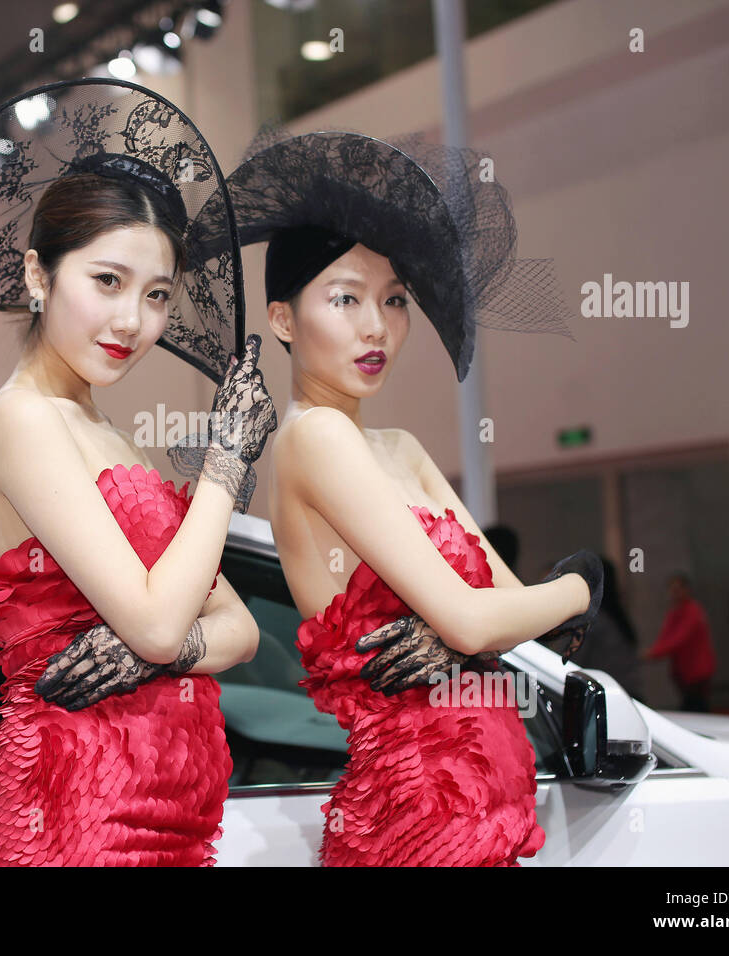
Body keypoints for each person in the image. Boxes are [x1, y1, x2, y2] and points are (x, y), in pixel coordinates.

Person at [201, 125, 602, 866]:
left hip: (491, 800)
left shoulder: (401, 450)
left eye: (394, 299)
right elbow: (482, 619)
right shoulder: (315, 439)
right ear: (284, 317)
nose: (377, 326)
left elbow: (512, 613)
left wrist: (497, 620)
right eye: (345, 299)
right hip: (418, 810)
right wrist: (581, 584)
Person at [0, 79, 277, 866]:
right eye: (107, 282)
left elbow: (242, 629)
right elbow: (164, 622)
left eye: (157, 294)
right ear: (36, 275)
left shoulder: (105, 433)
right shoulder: (21, 420)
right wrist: (226, 464)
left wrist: (147, 653)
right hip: (76, 810)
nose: (133, 321)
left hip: (169, 812)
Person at [568, 557, 644, 701]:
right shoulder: (617, 617)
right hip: (628, 694)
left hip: (610, 698)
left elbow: (571, 662)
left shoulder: (593, 619)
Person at [643, 572, 717, 712]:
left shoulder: (693, 611)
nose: (674, 594)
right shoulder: (675, 612)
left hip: (697, 670)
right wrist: (654, 651)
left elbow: (679, 638)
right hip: (683, 670)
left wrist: (653, 653)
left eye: (677, 589)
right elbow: (666, 636)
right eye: (672, 590)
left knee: (697, 707)